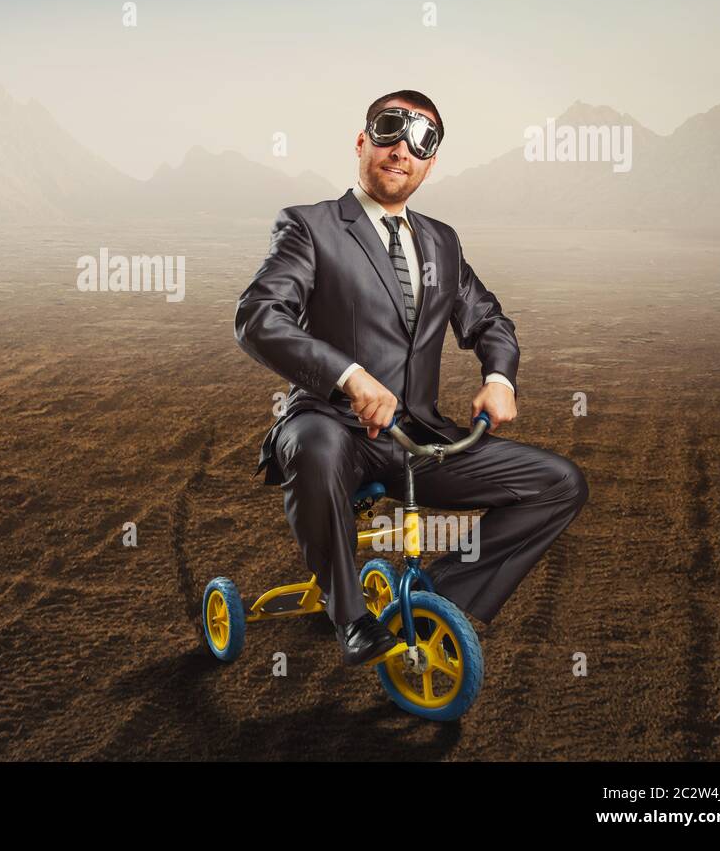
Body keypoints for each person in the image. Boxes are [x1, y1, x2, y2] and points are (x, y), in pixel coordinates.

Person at [234, 90, 589, 666]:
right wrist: (347, 376)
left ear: (430, 162)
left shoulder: (442, 242)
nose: (402, 148)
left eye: (421, 140)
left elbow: (488, 318)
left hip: (417, 439)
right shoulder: (309, 226)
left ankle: (429, 594)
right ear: (361, 140)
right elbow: (258, 317)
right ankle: (351, 617)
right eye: (389, 129)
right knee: (316, 445)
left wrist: (500, 376)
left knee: (560, 484)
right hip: (329, 425)